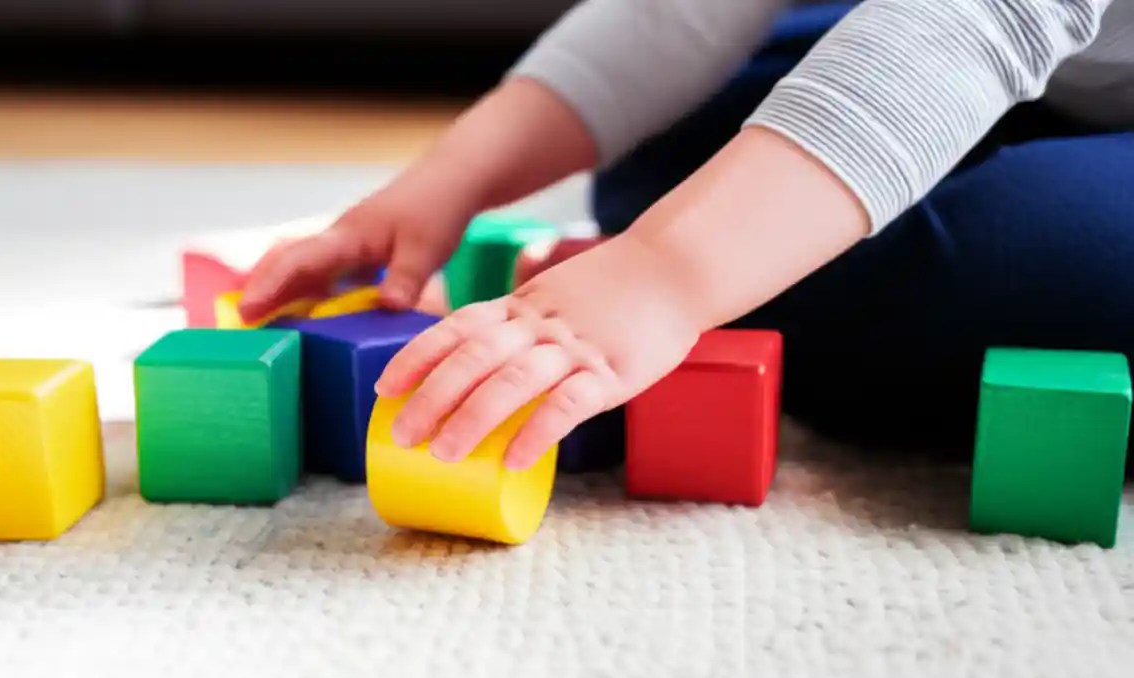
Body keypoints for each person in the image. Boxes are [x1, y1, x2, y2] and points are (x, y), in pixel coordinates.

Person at [239, 0, 1134, 469]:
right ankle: (772, 275)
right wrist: (442, 187)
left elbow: (975, 23)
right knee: (659, 156)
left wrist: (665, 275)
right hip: (1026, 59)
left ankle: (760, 292)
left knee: (1045, 265)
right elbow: (676, 12)